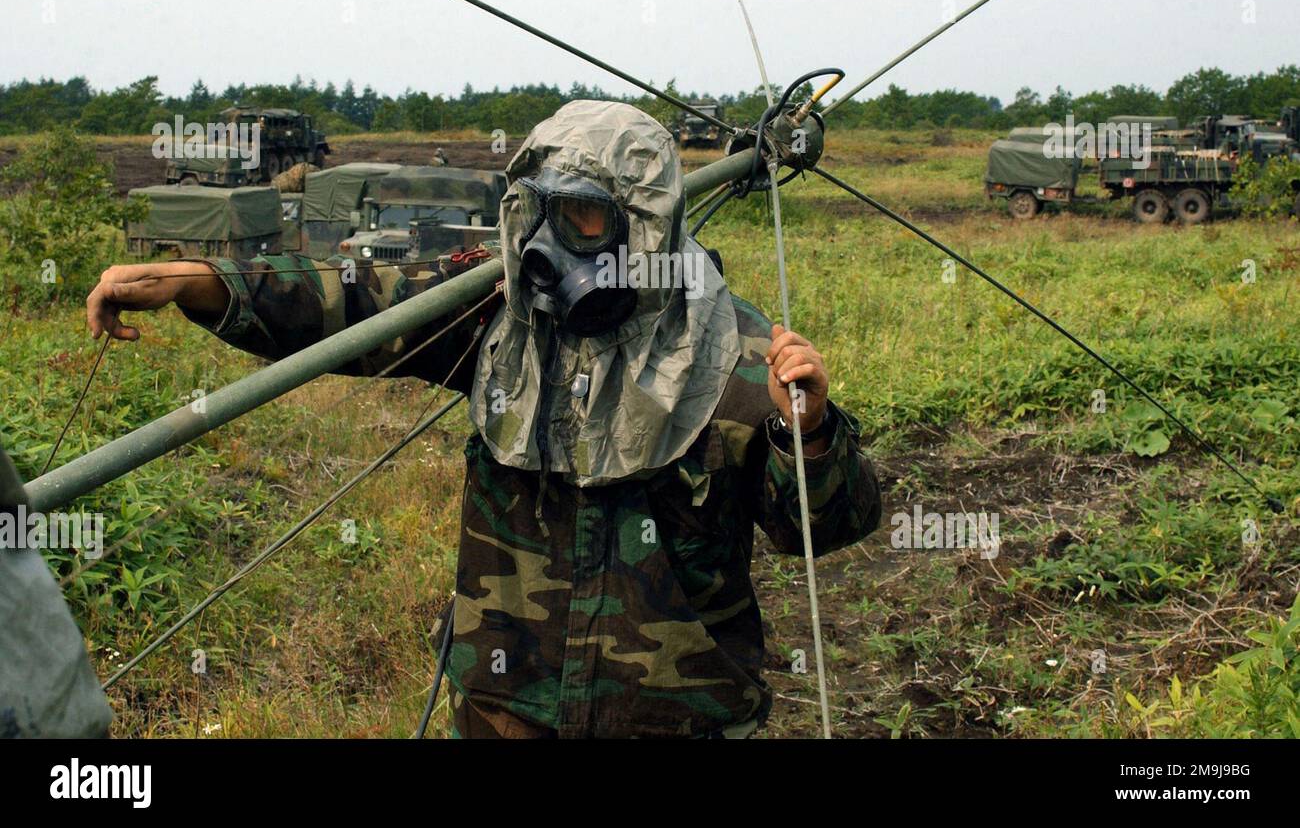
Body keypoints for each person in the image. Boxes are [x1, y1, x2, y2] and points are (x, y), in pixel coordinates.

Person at [86, 100, 882, 739]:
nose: (545, 246)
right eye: (533, 212)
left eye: (582, 218)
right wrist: (201, 280)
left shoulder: (736, 362)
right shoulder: (497, 325)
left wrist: (806, 432)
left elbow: (831, 526)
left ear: (646, 222)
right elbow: (348, 305)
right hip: (507, 706)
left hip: (678, 716)